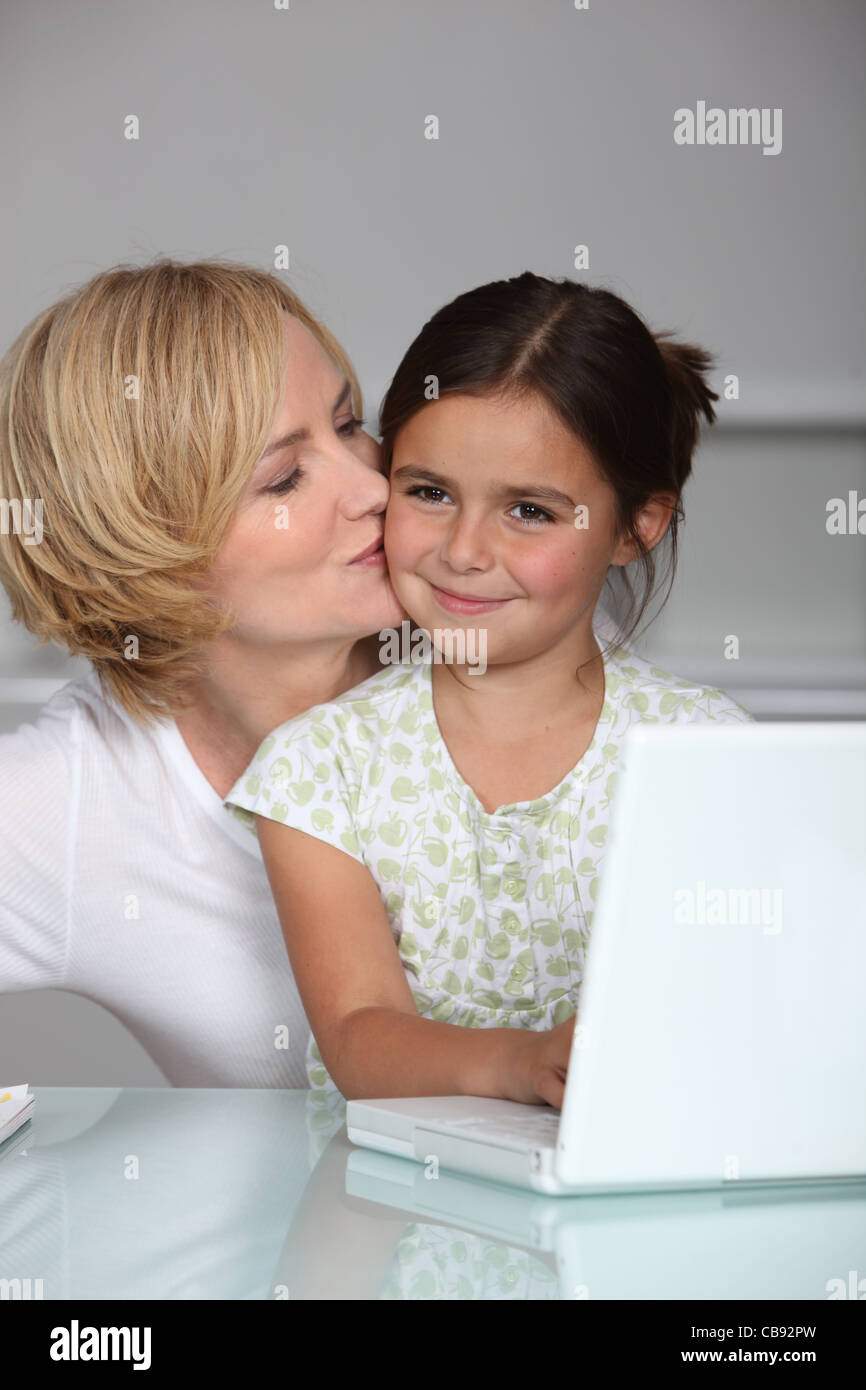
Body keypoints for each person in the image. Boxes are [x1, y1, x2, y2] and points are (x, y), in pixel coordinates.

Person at [224, 271, 754, 1109]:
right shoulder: (317, 769)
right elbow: (360, 1033)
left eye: (530, 512)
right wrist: (521, 1063)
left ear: (635, 526)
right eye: (429, 493)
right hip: (382, 1221)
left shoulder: (710, 754)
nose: (464, 551)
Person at [0, 258, 406, 1086]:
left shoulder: (510, 636)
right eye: (286, 477)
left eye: (350, 422)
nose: (374, 486)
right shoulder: (75, 796)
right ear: (149, 556)